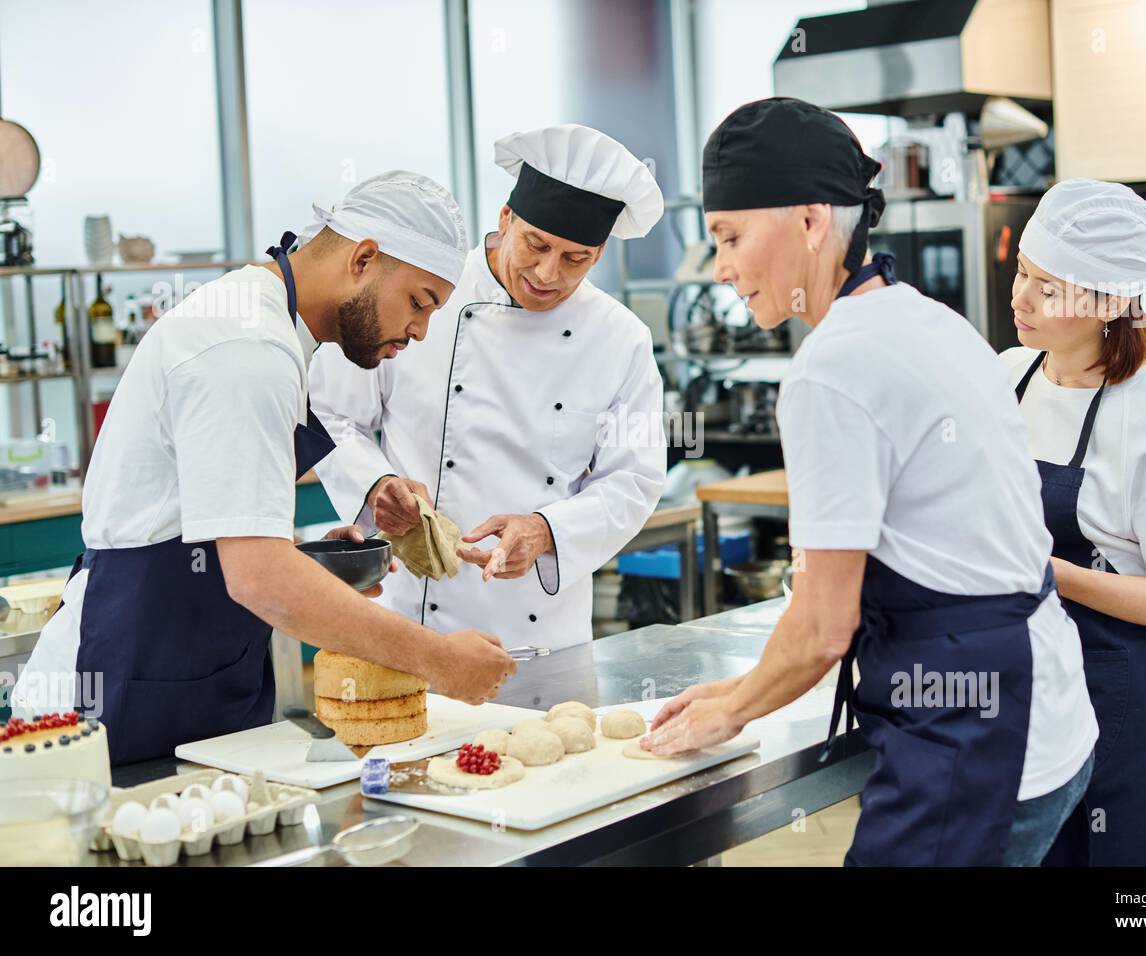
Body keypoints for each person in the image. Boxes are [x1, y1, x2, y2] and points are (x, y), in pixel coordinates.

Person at [645, 97, 1098, 866]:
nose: (720, 267)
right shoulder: (930, 319)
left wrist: (729, 714)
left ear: (812, 221)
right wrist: (732, 690)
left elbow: (824, 628)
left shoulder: (831, 368)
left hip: (974, 733)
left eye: (729, 236)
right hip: (1045, 709)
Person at [12, 172, 516, 765]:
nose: (420, 331)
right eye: (418, 303)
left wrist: (315, 564)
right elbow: (257, 578)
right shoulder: (247, 345)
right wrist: (441, 662)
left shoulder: (268, 321)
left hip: (186, 668)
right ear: (364, 258)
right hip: (121, 685)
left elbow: (211, 538)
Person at [309, 126, 666, 652]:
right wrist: (376, 486)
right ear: (506, 219)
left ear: (600, 253)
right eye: (537, 245)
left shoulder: (620, 339)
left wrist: (545, 530)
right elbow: (332, 414)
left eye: (575, 258)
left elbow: (632, 479)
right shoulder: (423, 293)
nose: (548, 273)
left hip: (541, 630)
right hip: (412, 616)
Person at [1002, 178, 1146, 866]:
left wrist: (1055, 576)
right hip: (1035, 712)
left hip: (1135, 732)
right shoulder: (1008, 376)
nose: (1019, 298)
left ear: (1106, 302)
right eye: (1020, 272)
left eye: (1046, 287)